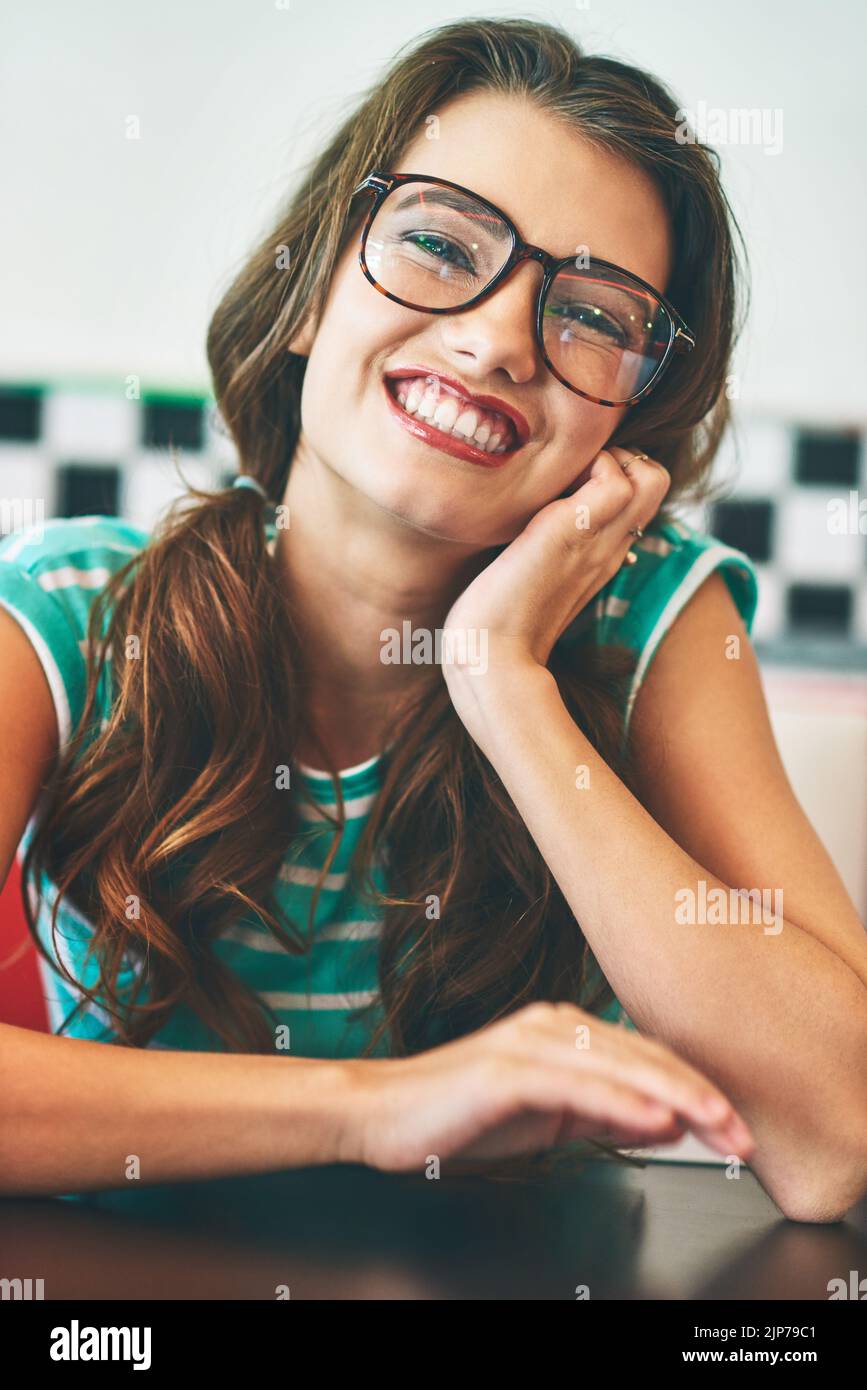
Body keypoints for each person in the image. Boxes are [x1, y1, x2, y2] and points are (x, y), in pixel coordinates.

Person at [1, 18, 865, 1221]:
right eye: (438, 243)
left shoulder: (648, 620)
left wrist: (503, 678)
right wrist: (374, 1108)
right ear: (308, 293)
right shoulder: (65, 615)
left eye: (597, 317)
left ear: (627, 423)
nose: (501, 338)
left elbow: (836, 1134)